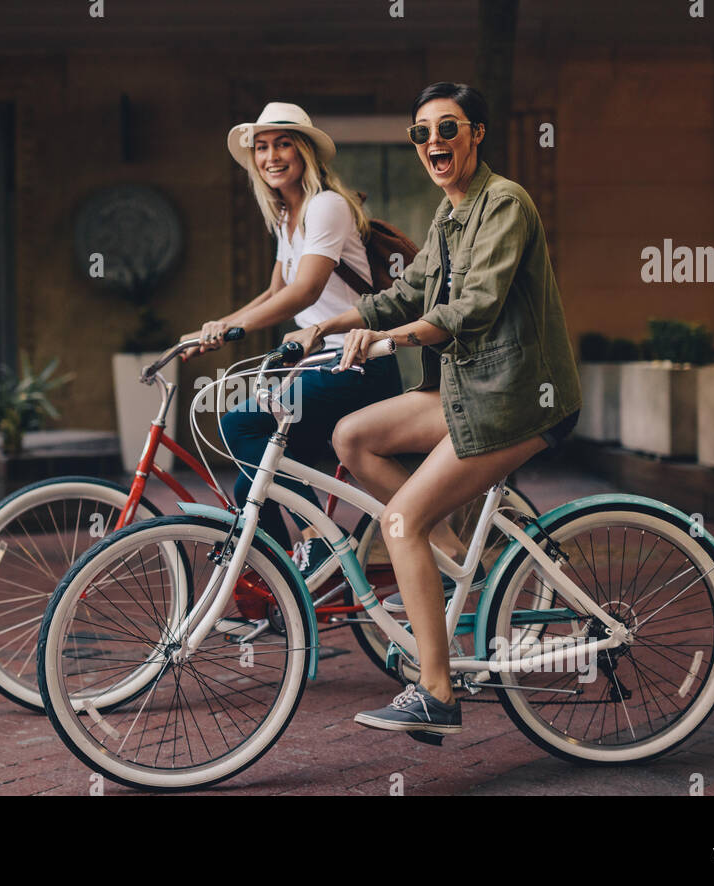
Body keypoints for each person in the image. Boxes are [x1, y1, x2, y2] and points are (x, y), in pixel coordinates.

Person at [285, 82, 582, 737]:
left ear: (477, 133)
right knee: (352, 437)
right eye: (422, 133)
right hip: (467, 393)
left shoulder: (504, 203)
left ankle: (437, 691)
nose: (434, 143)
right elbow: (406, 293)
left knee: (398, 525)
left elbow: (474, 305)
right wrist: (329, 327)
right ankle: (448, 551)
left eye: (448, 129)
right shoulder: (448, 216)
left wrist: (390, 338)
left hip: (515, 400)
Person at [186, 102, 402, 575]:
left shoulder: (326, 206)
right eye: (261, 147)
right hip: (318, 363)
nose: (271, 156)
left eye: (283, 143)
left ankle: (320, 538)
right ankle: (279, 589)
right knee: (251, 484)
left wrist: (234, 330)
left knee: (241, 425)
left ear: (305, 151)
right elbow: (276, 291)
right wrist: (215, 328)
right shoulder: (287, 216)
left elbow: (307, 290)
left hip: (356, 363)